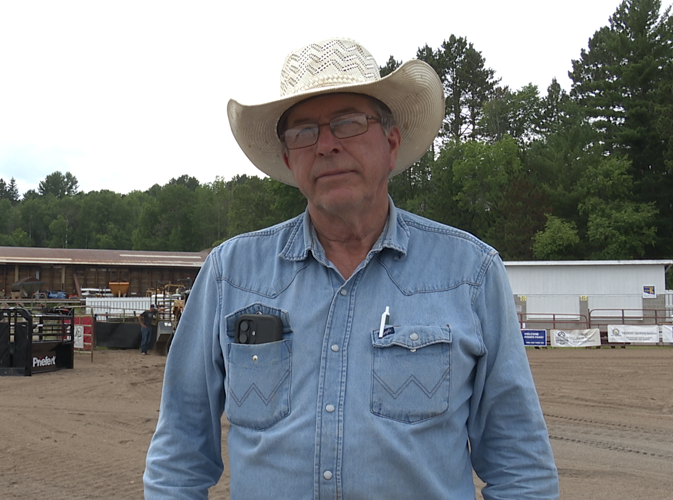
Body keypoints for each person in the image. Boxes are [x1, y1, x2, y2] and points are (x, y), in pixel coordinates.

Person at [144, 37, 559, 499]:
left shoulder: (471, 273)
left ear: (391, 144)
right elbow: (179, 453)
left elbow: (521, 466)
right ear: (288, 159)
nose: (325, 145)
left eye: (348, 123)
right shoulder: (230, 275)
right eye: (303, 132)